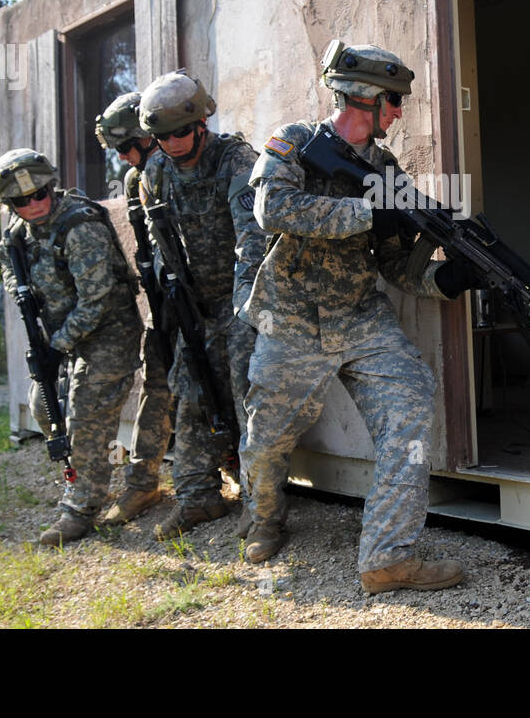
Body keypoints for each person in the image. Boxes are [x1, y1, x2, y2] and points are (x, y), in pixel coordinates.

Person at [239, 40, 475, 594]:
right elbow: (271, 208)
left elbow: (395, 264)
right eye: (393, 100)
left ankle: (387, 556)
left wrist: (445, 278)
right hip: (291, 316)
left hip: (360, 315)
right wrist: (368, 210)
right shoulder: (296, 142)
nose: (399, 112)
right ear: (364, 98)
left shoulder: (385, 167)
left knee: (410, 403)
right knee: (267, 439)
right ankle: (265, 517)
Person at [137, 71, 265, 539]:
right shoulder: (153, 174)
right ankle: (197, 498)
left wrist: (240, 311)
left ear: (201, 123)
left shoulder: (235, 161)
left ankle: (260, 506)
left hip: (243, 299)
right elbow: (160, 245)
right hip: (196, 305)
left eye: (179, 132)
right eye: (161, 135)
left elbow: (253, 241)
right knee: (189, 396)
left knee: (249, 400)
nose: (171, 142)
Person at [0, 148, 142, 547]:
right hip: (65, 337)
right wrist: (52, 344)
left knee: (86, 413)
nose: (34, 204)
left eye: (40, 193)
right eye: (22, 201)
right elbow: (13, 282)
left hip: (108, 332)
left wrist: (58, 345)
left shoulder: (79, 224)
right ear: (8, 205)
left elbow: (97, 298)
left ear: (51, 187)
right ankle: (94, 471)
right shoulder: (15, 240)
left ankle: (80, 508)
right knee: (43, 406)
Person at [92, 91, 171, 525]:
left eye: (127, 146)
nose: (123, 157)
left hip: (213, 303)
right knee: (157, 388)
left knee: (217, 393)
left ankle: (230, 471)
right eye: (117, 150)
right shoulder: (135, 181)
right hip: (166, 302)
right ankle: (143, 484)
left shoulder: (191, 166)